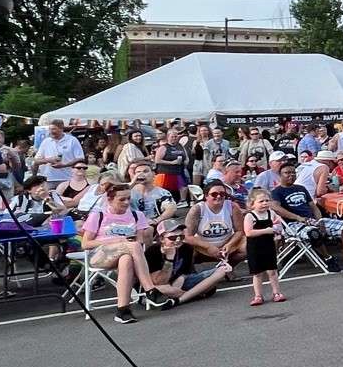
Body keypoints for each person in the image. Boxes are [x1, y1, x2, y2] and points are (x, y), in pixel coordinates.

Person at [80, 182, 173, 322]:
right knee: (133, 246)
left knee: (127, 259)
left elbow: (140, 241)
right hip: (101, 254)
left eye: (129, 198)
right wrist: (116, 240)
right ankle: (150, 290)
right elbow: (86, 244)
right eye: (122, 199)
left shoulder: (137, 215)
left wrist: (125, 243)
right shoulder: (98, 215)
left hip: (127, 253)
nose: (127, 202)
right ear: (110, 199)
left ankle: (123, 310)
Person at [266, 158, 343, 272]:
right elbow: (277, 209)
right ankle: (328, 258)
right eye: (287, 173)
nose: (291, 175)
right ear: (280, 175)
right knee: (313, 233)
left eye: (293, 173)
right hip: (293, 225)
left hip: (311, 220)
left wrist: (320, 220)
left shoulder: (301, 188)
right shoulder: (277, 192)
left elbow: (313, 206)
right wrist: (298, 218)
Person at [183, 182, 245, 274]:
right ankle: (192, 274)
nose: (219, 196)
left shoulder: (232, 206)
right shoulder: (198, 209)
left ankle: (227, 269)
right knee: (185, 248)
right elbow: (187, 236)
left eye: (222, 194)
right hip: (202, 246)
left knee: (247, 245)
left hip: (226, 244)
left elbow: (239, 231)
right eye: (214, 194)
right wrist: (208, 247)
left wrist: (229, 245)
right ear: (206, 196)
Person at [241, 189, 287, 303]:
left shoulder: (271, 213)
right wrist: (267, 230)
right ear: (252, 203)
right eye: (261, 201)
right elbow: (249, 232)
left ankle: (276, 292)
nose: (265, 203)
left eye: (267, 201)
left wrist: (278, 230)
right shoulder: (250, 216)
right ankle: (258, 295)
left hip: (269, 245)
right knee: (257, 273)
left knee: (272, 271)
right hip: (255, 247)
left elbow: (278, 225)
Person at [35, 120, 84, 187]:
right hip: (48, 179)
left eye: (54, 129)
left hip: (68, 178)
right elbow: (36, 160)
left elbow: (80, 158)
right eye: (50, 129)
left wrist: (65, 165)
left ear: (61, 129)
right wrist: (48, 160)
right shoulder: (46, 141)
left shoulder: (72, 140)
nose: (51, 131)